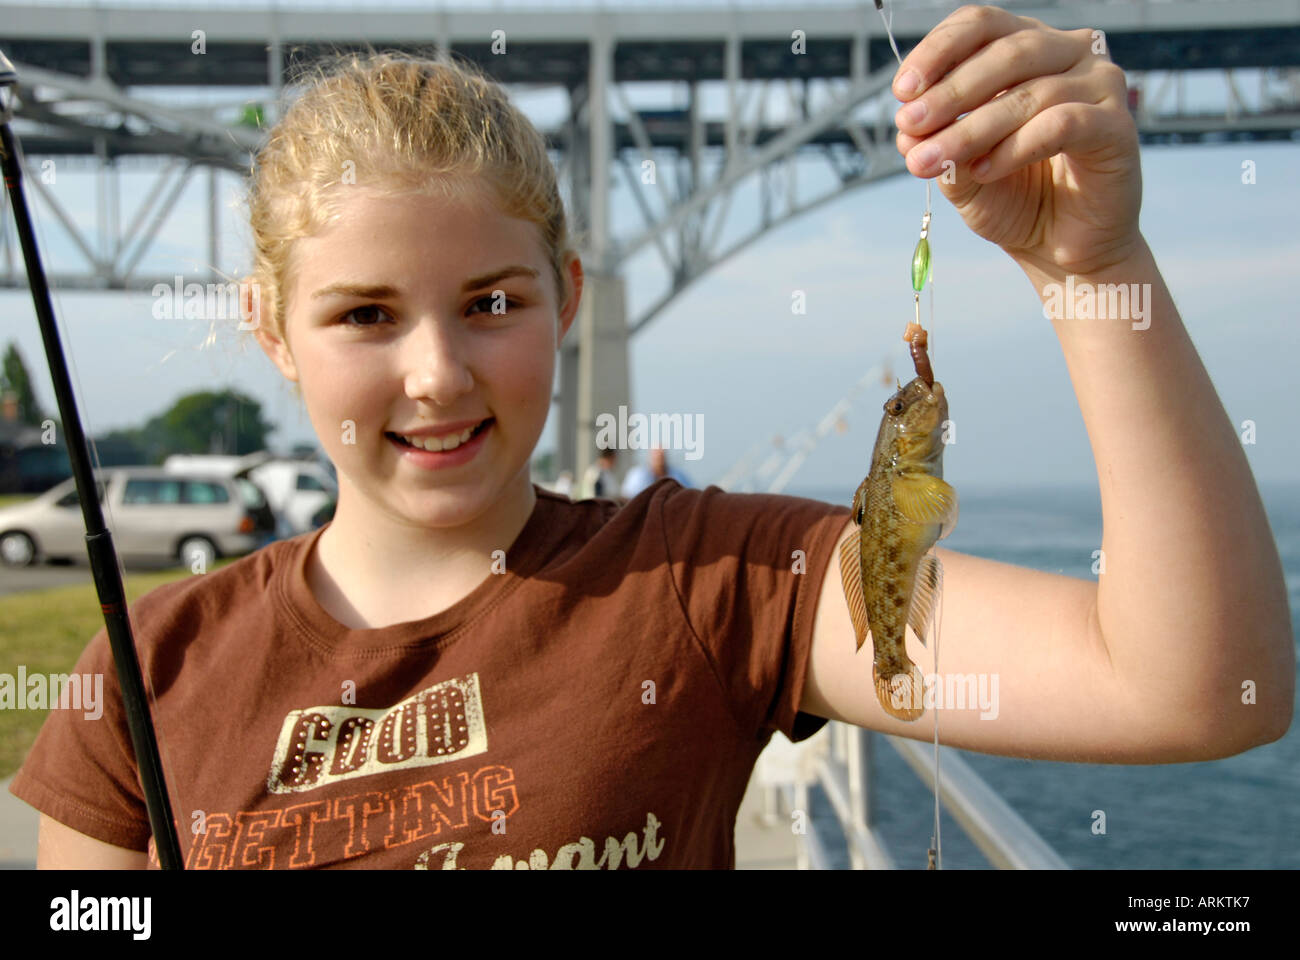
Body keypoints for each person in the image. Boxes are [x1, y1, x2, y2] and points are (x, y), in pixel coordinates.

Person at [11, 9, 1292, 871]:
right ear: (272, 331)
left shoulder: (713, 583)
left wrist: (1092, 268)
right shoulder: (139, 686)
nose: (438, 372)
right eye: (362, 314)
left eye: (492, 304)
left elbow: (1196, 685)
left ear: (567, 295)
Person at [621, 446, 692, 498]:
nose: (659, 460)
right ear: (650, 457)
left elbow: (689, 493)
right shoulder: (637, 476)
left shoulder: (678, 475)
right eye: (656, 456)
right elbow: (627, 498)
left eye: (661, 456)